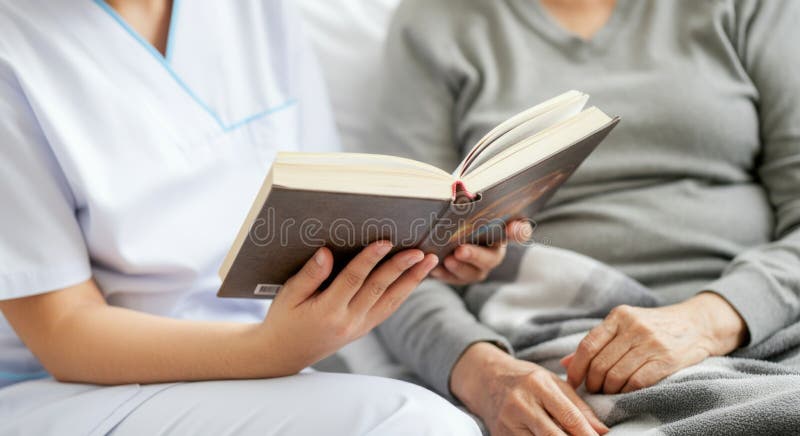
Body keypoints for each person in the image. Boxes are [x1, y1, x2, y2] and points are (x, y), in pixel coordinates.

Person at [0, 1, 530, 434]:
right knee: (416, 427)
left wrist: (419, 249)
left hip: (279, 355)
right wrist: (268, 350)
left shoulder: (257, 10)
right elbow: (65, 332)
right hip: (85, 390)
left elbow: (329, 204)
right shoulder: (14, 47)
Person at [369, 0, 800, 435]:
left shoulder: (751, 8)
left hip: (760, 319)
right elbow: (391, 261)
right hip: (558, 345)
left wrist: (707, 321)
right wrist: (484, 374)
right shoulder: (436, 23)